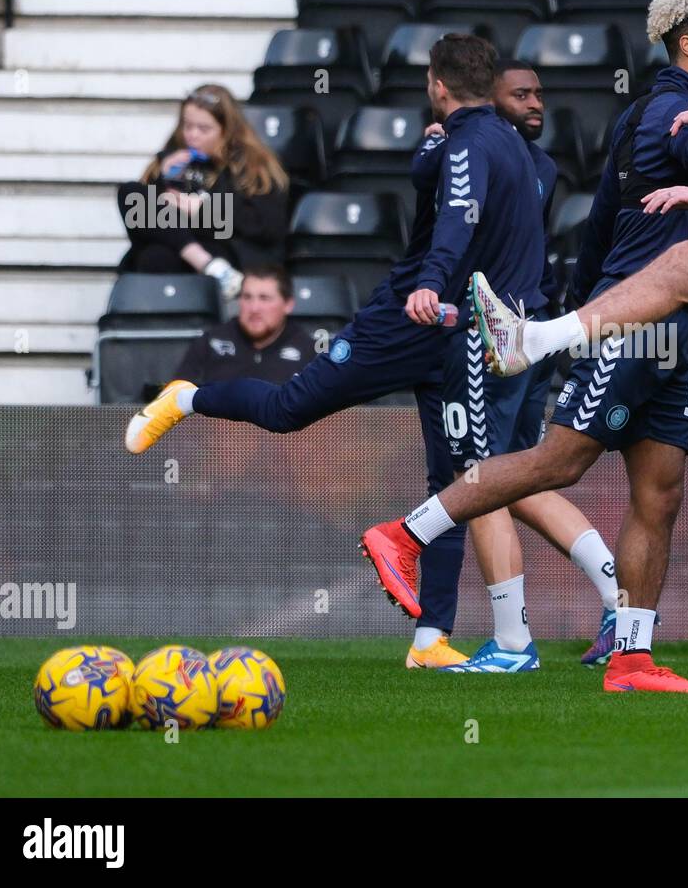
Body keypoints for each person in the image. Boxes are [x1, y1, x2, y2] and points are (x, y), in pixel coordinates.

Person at [361, 0, 688, 694]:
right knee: (555, 463)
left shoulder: (648, 114)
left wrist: (574, 304)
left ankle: (632, 659)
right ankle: (404, 535)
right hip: (633, 323)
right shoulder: (669, 109)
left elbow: (603, 217)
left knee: (659, 494)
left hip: (668, 329)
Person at [121, 35, 614, 670]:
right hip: (416, 325)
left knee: (461, 484)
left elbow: (459, 218)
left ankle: (431, 639)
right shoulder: (506, 151)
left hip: (452, 324)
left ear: (437, 85)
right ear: (488, 87)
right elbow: (452, 210)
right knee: (290, 409)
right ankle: (186, 397)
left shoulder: (471, 145)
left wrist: (437, 280)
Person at [410, 59, 619, 673]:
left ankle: (512, 642)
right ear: (490, 102)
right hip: (533, 333)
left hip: (492, 335)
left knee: (479, 479)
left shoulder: (481, 156)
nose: (536, 104)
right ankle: (618, 598)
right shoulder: (537, 165)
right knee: (526, 476)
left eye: (539, 94)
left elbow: (437, 207)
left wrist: (433, 146)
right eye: (521, 94)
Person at [117, 84, 289, 299]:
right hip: (187, 251)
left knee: (158, 258)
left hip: (224, 247)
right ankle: (207, 264)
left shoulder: (254, 166)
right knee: (131, 194)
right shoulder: (171, 159)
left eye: (203, 129)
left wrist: (204, 210)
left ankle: (211, 267)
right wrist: (163, 179)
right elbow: (143, 225)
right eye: (187, 126)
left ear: (227, 130)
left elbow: (267, 227)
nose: (192, 135)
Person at [175, 265, 314, 385]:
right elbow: (175, 398)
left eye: (264, 298)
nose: (254, 308)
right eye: (247, 297)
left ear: (288, 304)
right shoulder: (210, 342)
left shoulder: (308, 350)